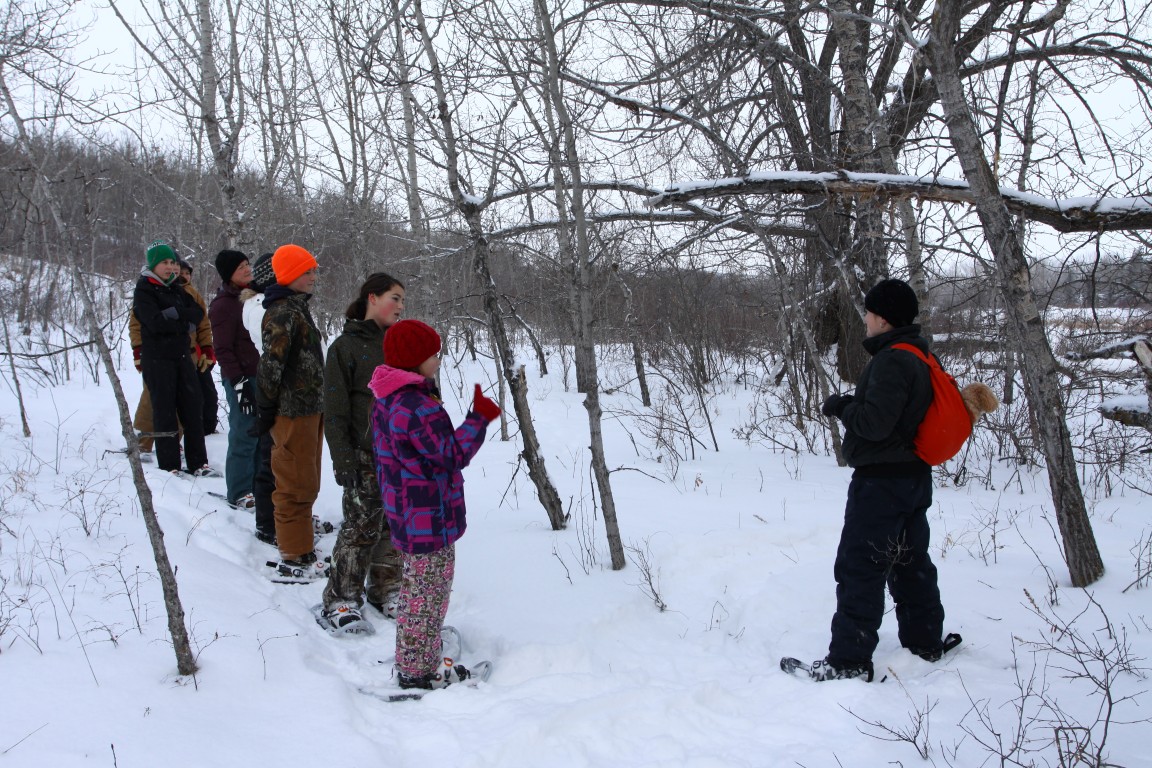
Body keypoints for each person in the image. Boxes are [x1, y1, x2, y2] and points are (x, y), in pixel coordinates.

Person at [789, 278, 952, 682]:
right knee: (910, 560)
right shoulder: (918, 354)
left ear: (882, 317)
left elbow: (875, 425)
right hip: (912, 477)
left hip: (882, 483)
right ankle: (924, 642)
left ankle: (848, 661)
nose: (865, 319)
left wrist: (843, 405)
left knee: (861, 566)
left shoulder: (893, 359)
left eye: (869, 313)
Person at [368, 319, 501, 689]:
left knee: (417, 587)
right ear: (413, 360)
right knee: (428, 593)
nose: (438, 359)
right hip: (428, 518)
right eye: (432, 354)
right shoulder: (416, 407)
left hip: (407, 513)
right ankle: (417, 670)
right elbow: (450, 454)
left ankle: (416, 650)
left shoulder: (387, 397)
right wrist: (479, 418)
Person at [319, 274, 407, 634]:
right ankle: (341, 597)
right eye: (395, 298)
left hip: (400, 455)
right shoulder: (345, 347)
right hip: (364, 455)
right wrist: (342, 457)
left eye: (403, 300)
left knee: (394, 525)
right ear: (372, 298)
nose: (401, 306)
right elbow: (335, 410)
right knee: (360, 528)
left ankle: (387, 588)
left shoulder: (401, 345)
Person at [255, 244, 327, 577]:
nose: (313, 277)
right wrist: (266, 407)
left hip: (310, 408)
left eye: (313, 270)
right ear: (287, 275)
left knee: (307, 482)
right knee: (293, 484)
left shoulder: (297, 308)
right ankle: (294, 556)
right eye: (305, 271)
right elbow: (271, 364)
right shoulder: (282, 311)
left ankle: (303, 549)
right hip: (292, 411)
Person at [132, 241, 217, 477]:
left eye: (173, 263)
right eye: (165, 263)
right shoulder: (144, 289)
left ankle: (198, 463)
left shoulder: (177, 288)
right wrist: (180, 319)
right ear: (154, 265)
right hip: (158, 359)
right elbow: (154, 322)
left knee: (192, 407)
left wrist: (174, 315)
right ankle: (170, 465)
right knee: (164, 411)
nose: (171, 268)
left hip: (182, 356)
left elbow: (197, 314)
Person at [208, 249, 260, 510]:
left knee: (263, 436)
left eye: (248, 264)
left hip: (261, 376)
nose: (248, 269)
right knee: (244, 433)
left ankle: (258, 487)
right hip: (241, 379)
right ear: (229, 273)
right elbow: (223, 350)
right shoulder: (223, 305)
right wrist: (239, 385)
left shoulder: (255, 298)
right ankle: (239, 490)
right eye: (241, 267)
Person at [243, 253, 278, 545]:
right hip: (274, 390)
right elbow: (273, 351)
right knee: (271, 458)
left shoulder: (271, 306)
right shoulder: (259, 308)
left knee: (281, 459)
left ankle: (282, 517)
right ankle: (268, 523)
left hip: (282, 390)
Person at [178, 259, 220, 436]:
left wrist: (208, 349)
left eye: (188, 273)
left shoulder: (194, 294)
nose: (185, 276)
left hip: (196, 353)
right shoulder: (164, 293)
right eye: (182, 272)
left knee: (207, 393)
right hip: (173, 354)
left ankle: (207, 430)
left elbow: (204, 325)